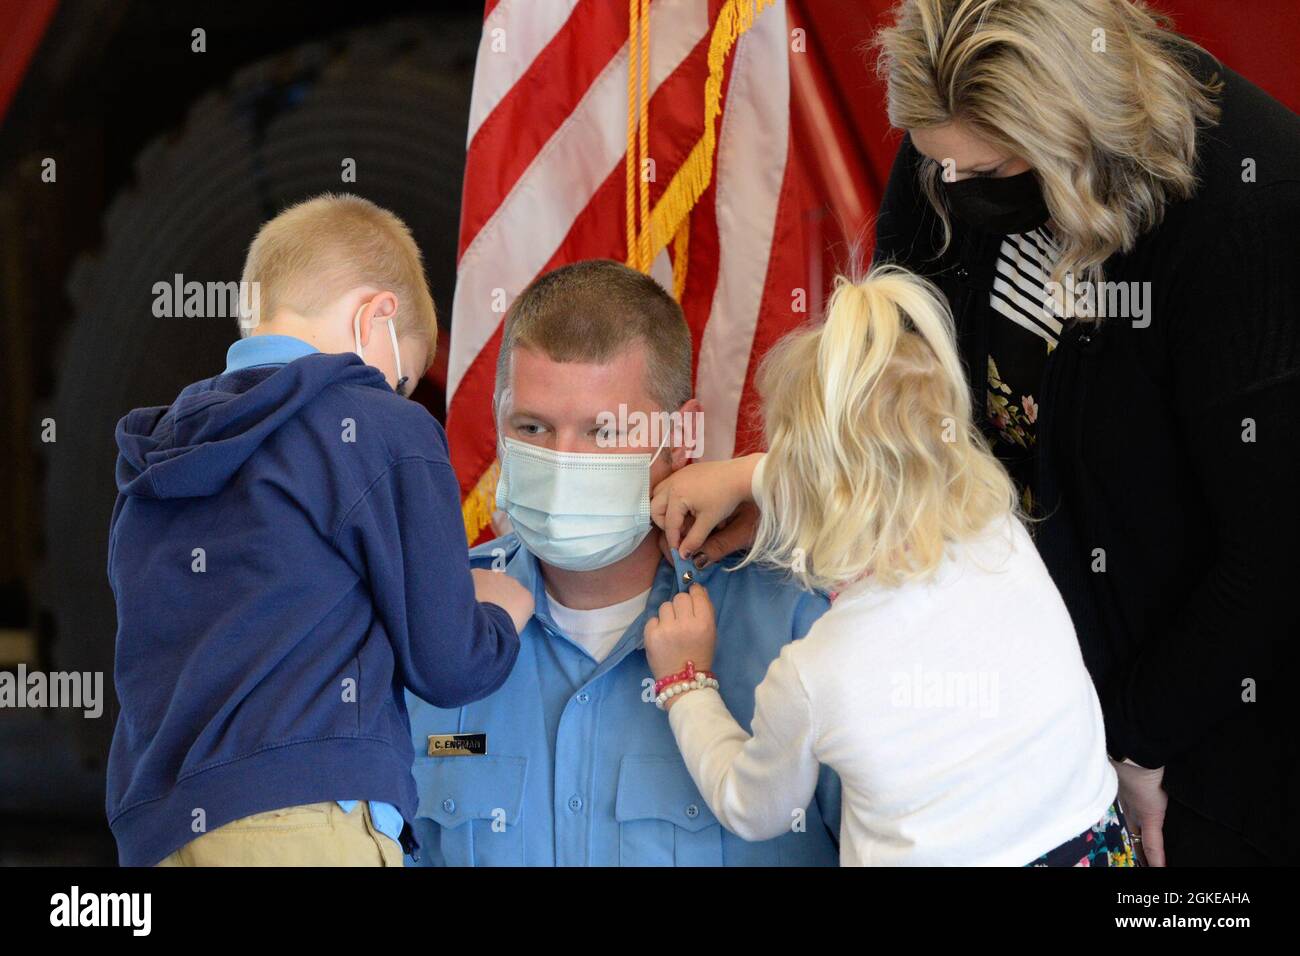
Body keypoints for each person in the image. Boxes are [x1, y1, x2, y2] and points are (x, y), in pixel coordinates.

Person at [647, 267, 1130, 866]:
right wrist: (754, 480)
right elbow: (882, 464)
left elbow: (753, 808)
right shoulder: (995, 526)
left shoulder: (814, 671)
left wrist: (685, 682)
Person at [106, 194, 532, 867]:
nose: (396, 395)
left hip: (161, 835)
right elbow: (448, 663)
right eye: (402, 378)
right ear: (377, 316)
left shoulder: (160, 456)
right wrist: (499, 612)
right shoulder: (380, 425)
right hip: (307, 825)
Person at [404, 259, 840, 866]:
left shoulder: (794, 630)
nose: (562, 461)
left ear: (683, 435)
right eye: (532, 426)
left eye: (603, 432)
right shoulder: (427, 621)